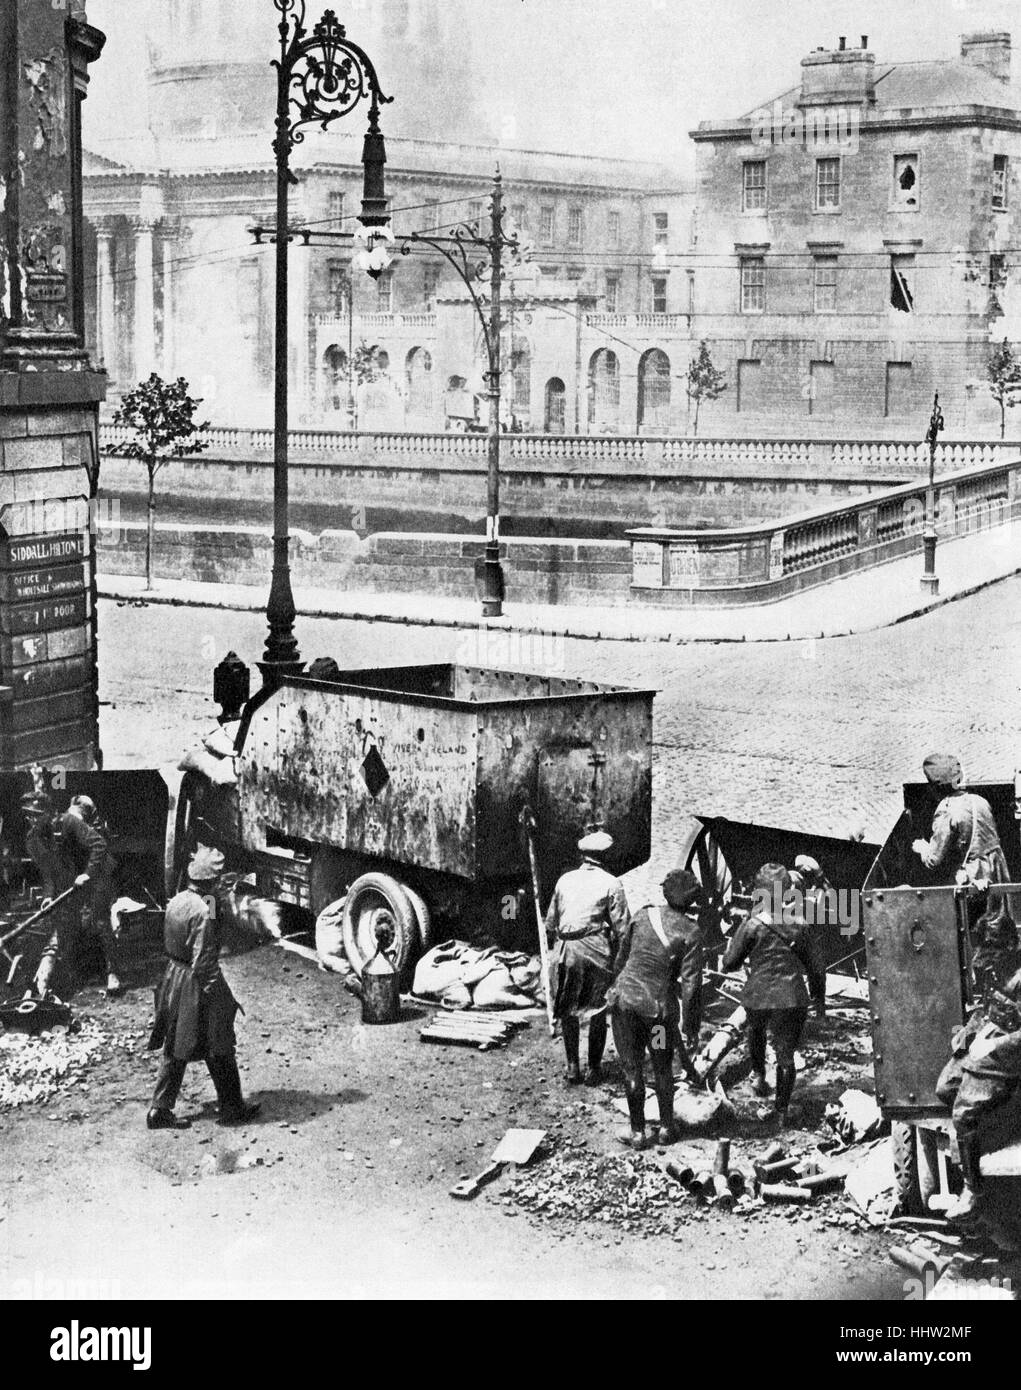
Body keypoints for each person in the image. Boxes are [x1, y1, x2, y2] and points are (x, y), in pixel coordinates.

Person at [147, 845, 260, 1131]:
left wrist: (217, 906)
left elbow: (208, 912)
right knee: (220, 1039)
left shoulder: (179, 900)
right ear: (212, 881)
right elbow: (204, 960)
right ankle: (232, 1107)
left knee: (177, 1042)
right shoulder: (202, 912)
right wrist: (222, 997)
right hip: (196, 980)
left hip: (174, 974)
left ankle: (160, 1108)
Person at [935, 901, 1021, 1221]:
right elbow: (984, 1009)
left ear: (1011, 945)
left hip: (1011, 1055)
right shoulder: (993, 966)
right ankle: (992, 1127)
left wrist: (994, 1044)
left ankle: (973, 1190)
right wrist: (968, 1034)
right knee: (945, 1087)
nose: (990, 957)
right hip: (990, 1040)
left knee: (962, 1111)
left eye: (995, 949)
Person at [722, 862, 826, 1124]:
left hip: (758, 995)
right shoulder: (800, 925)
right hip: (791, 997)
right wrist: (819, 1000)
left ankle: (758, 1077)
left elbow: (729, 963)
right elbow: (817, 969)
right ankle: (781, 1111)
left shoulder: (752, 924)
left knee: (755, 1030)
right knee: (786, 1054)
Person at [607, 869, 703, 1151]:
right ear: (692, 900)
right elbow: (692, 986)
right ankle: (666, 1128)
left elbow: (621, 959)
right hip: (658, 1015)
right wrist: (691, 1028)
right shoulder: (691, 932)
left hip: (625, 1006)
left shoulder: (641, 915)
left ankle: (637, 1134)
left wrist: (616, 988)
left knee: (632, 1068)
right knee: (662, 1067)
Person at [545, 830, 630, 1086]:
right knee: (598, 1010)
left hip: (567, 950)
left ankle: (573, 1066)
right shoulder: (611, 883)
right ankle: (593, 1068)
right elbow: (623, 929)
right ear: (606, 856)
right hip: (595, 949)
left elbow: (551, 923)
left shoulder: (564, 880)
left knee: (568, 1009)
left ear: (584, 855)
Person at [58, 794, 124, 996]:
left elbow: (100, 847)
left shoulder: (78, 824)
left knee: (101, 923)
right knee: (80, 923)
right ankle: (80, 971)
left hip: (99, 878)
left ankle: (113, 974)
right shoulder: (69, 822)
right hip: (84, 878)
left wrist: (87, 874)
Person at [912, 753, 1008, 887]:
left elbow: (934, 860)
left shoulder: (946, 810)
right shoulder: (980, 800)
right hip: (997, 874)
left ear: (934, 787)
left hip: (972, 880)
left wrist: (922, 848)